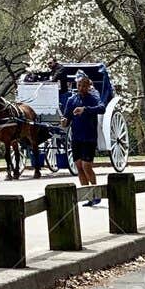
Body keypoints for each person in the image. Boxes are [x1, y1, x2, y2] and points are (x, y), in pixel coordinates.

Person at [62, 71, 104, 204]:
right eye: (79, 85)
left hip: (89, 137)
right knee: (79, 166)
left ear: (88, 86)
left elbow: (101, 108)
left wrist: (85, 109)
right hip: (76, 137)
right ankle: (88, 196)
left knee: (86, 165)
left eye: (84, 86)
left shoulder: (93, 98)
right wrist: (64, 121)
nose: (81, 88)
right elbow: (67, 118)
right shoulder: (71, 100)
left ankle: (96, 193)